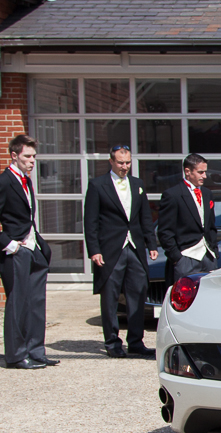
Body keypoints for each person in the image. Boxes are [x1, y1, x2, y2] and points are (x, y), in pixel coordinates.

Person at [0, 134, 56, 369]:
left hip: (33, 249)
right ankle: (16, 356)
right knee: (18, 305)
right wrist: (9, 245)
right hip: (16, 252)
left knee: (36, 303)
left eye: (34, 156)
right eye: (27, 156)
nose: (32, 161)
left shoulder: (26, 180)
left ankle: (36, 351)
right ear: (14, 156)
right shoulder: (3, 182)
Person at [84, 145, 158, 358]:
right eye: (120, 163)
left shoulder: (138, 184)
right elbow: (91, 222)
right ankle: (112, 343)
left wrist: (151, 244)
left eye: (127, 163)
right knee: (110, 298)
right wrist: (94, 250)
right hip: (110, 250)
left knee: (137, 294)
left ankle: (135, 342)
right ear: (111, 161)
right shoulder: (97, 185)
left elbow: (145, 217)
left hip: (135, 248)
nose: (125, 167)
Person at [158, 153, 219, 284]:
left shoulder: (207, 193)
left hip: (208, 256)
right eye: (201, 172)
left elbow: (211, 226)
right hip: (186, 257)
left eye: (205, 172)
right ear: (187, 172)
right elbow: (165, 231)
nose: (205, 176)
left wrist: (214, 250)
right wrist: (177, 258)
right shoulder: (172, 195)